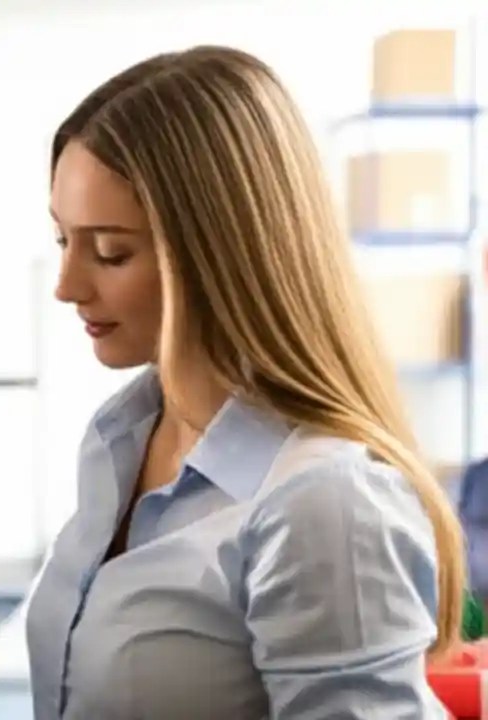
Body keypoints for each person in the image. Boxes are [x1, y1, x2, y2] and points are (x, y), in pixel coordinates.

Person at [25, 45, 467, 719]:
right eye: (64, 241)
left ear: (218, 251)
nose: (67, 286)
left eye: (111, 250)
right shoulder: (123, 435)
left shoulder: (324, 502)